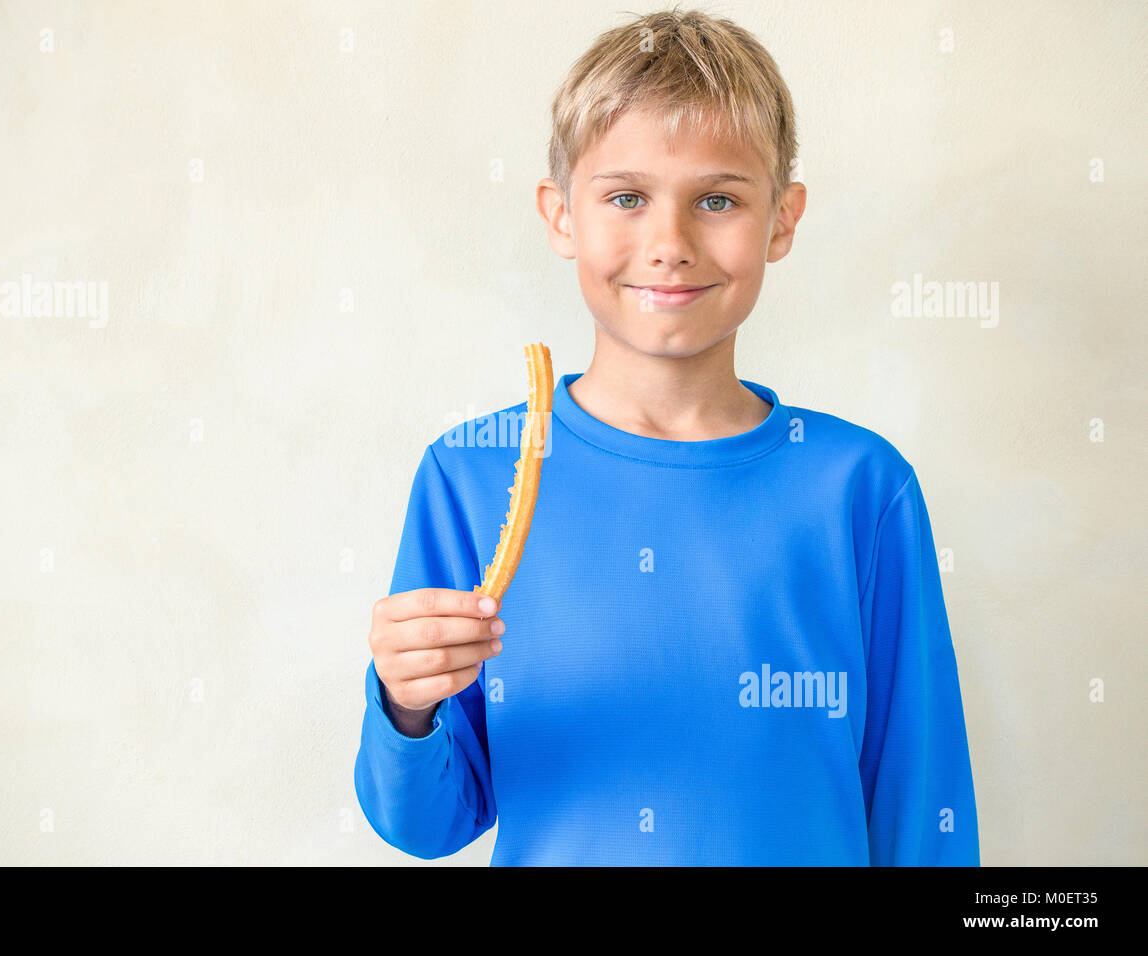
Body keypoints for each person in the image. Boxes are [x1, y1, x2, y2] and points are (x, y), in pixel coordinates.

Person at [354, 7, 980, 865]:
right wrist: (406, 706)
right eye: (626, 198)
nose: (669, 245)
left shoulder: (861, 489)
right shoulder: (472, 473)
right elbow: (427, 824)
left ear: (782, 220)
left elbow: (921, 798)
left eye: (717, 199)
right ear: (561, 216)